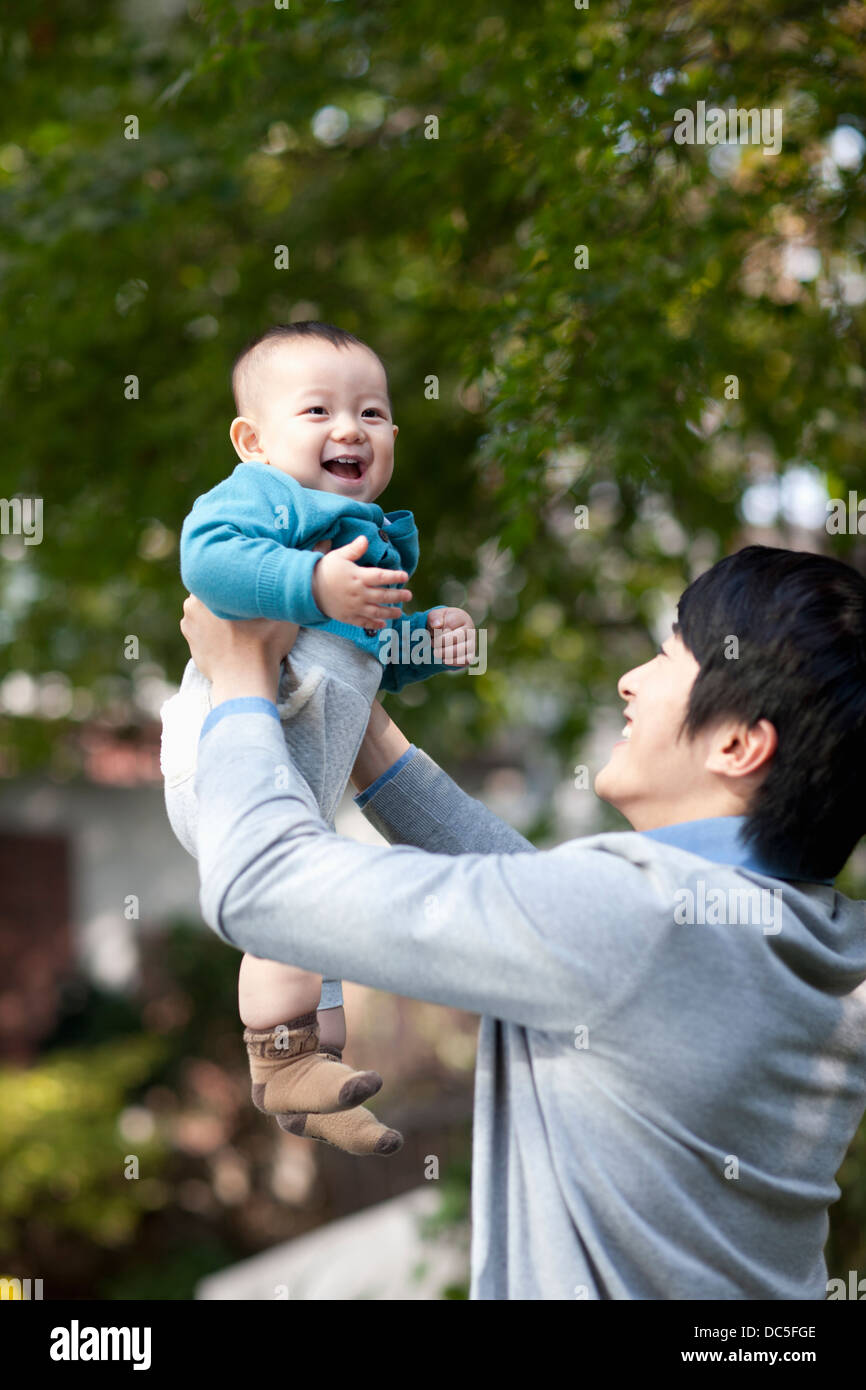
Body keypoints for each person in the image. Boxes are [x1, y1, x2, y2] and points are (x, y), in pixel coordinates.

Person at [181, 544, 866, 1300]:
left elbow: (259, 885)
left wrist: (240, 675)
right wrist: (353, 713)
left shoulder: (636, 920)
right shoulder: (823, 939)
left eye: (671, 658)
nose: (629, 681)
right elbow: (541, 907)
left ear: (738, 745)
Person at [159, 321, 475, 1156]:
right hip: (226, 755)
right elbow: (208, 564)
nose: (350, 429)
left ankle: (316, 1073)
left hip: (298, 774)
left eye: (373, 412)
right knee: (290, 906)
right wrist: (311, 582)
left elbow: (365, 666)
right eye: (318, 410)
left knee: (318, 922)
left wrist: (424, 647)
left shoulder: (369, 535)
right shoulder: (266, 502)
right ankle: (281, 1057)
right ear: (252, 440)